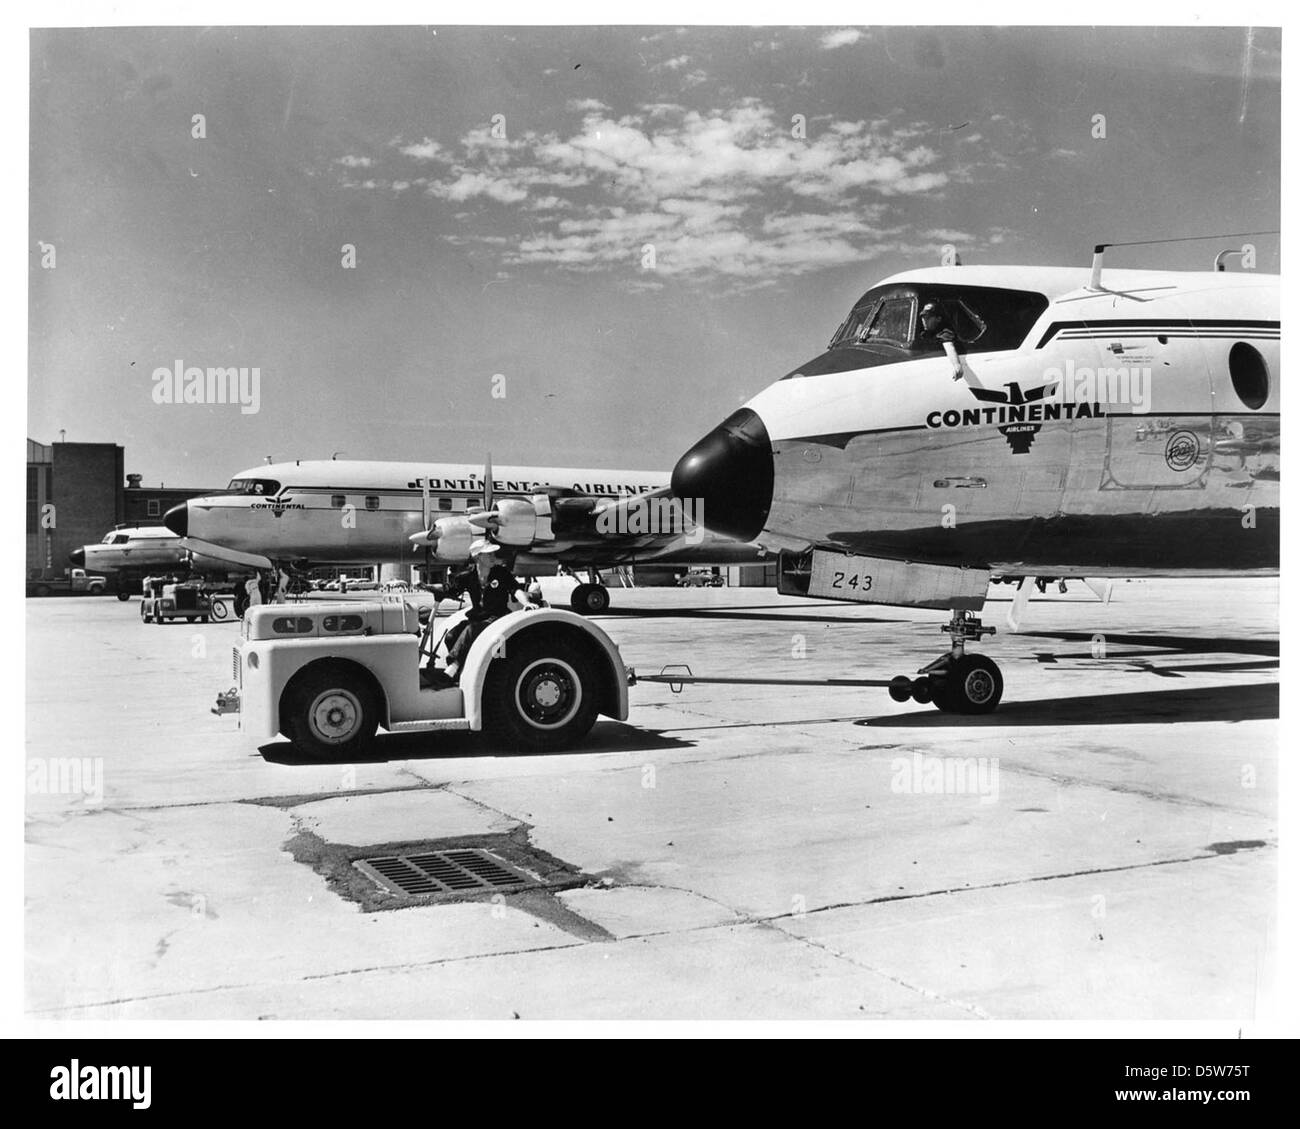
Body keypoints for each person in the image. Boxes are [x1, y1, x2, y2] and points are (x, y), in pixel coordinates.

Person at [443, 540, 526, 680]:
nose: (493, 556)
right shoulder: (468, 576)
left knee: (470, 631)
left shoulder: (501, 573)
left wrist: (527, 603)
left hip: (498, 617)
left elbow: (515, 589)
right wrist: (430, 588)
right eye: (489, 554)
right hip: (478, 618)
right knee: (451, 636)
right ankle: (467, 667)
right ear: (478, 557)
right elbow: (451, 590)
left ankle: (453, 668)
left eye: (493, 553)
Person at [919, 301, 964, 381]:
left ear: (938, 319)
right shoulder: (925, 333)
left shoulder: (944, 332)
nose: (924, 320)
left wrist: (957, 365)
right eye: (923, 317)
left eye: (928, 317)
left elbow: (949, 346)